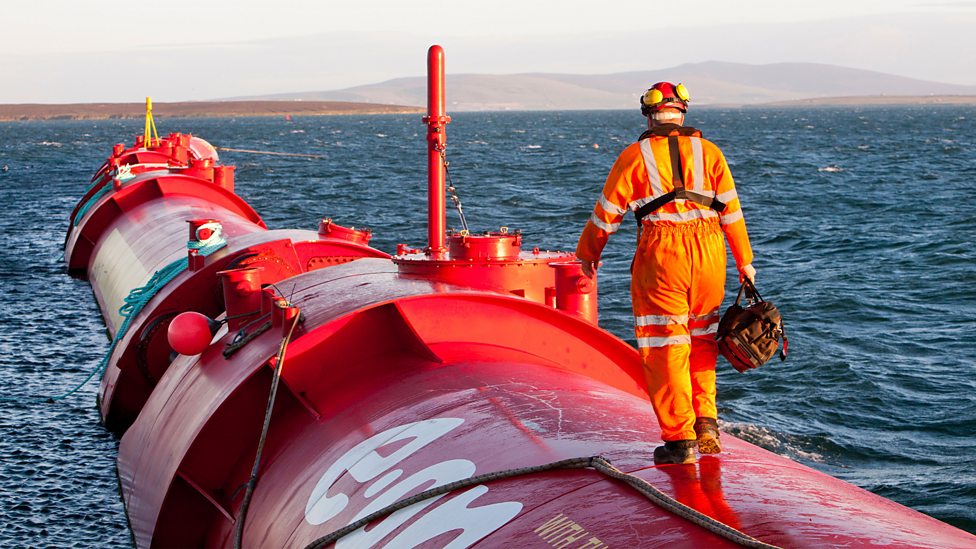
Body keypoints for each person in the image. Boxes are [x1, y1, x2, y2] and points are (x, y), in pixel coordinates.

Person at [576, 82, 756, 465]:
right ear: (683, 112)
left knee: (664, 345)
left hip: (662, 254)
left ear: (648, 114)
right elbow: (733, 213)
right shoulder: (710, 153)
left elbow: (606, 215)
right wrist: (745, 262)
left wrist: (588, 254)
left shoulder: (634, 156)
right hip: (711, 254)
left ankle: (680, 441)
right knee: (703, 338)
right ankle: (707, 422)